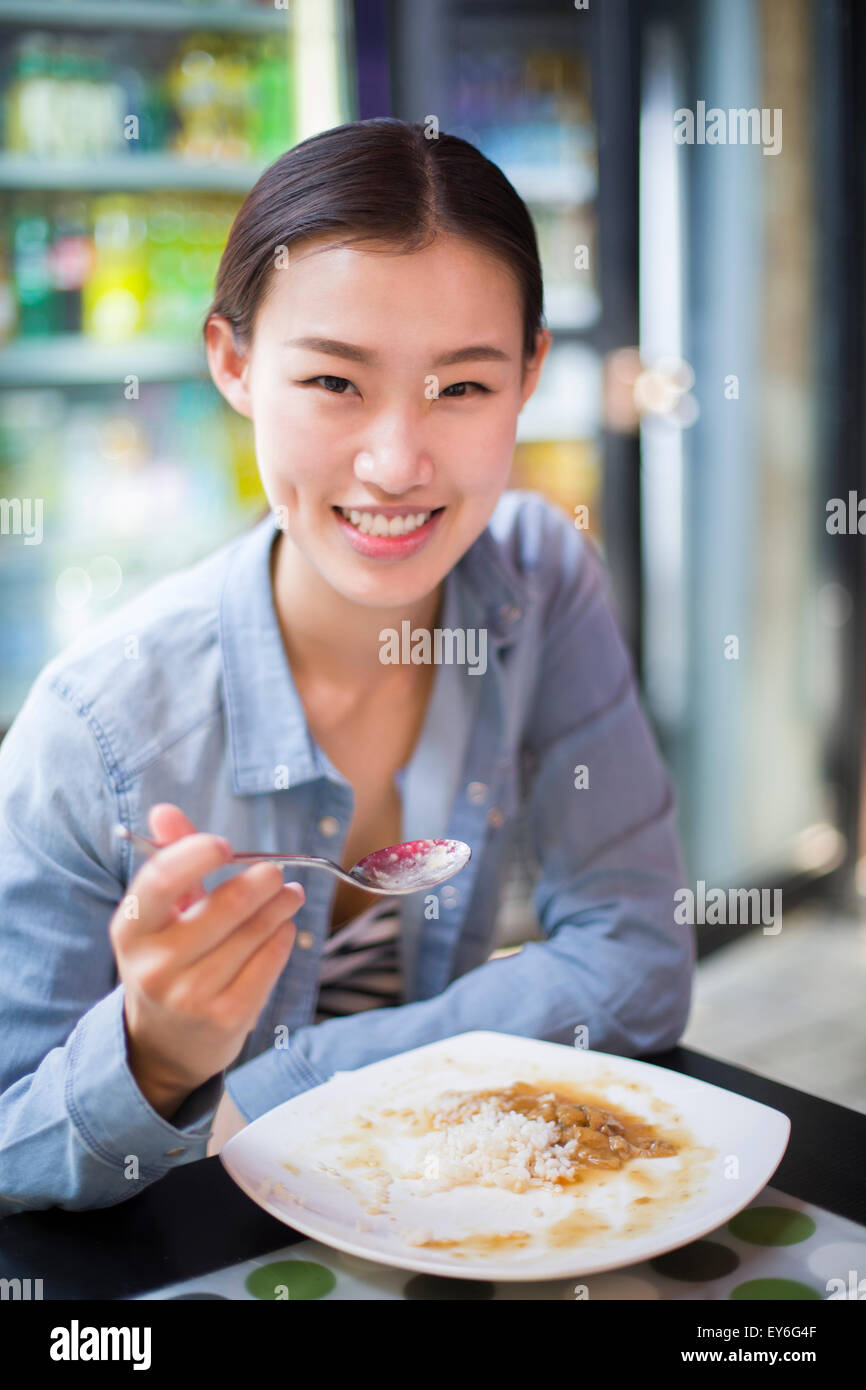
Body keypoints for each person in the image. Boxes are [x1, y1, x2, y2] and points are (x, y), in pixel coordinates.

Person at [0, 119, 694, 1215]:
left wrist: (278, 1081)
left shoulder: (538, 578)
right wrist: (157, 1056)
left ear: (527, 375)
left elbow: (637, 957)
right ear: (232, 363)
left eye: (461, 388)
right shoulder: (94, 730)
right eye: (332, 381)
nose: (394, 463)